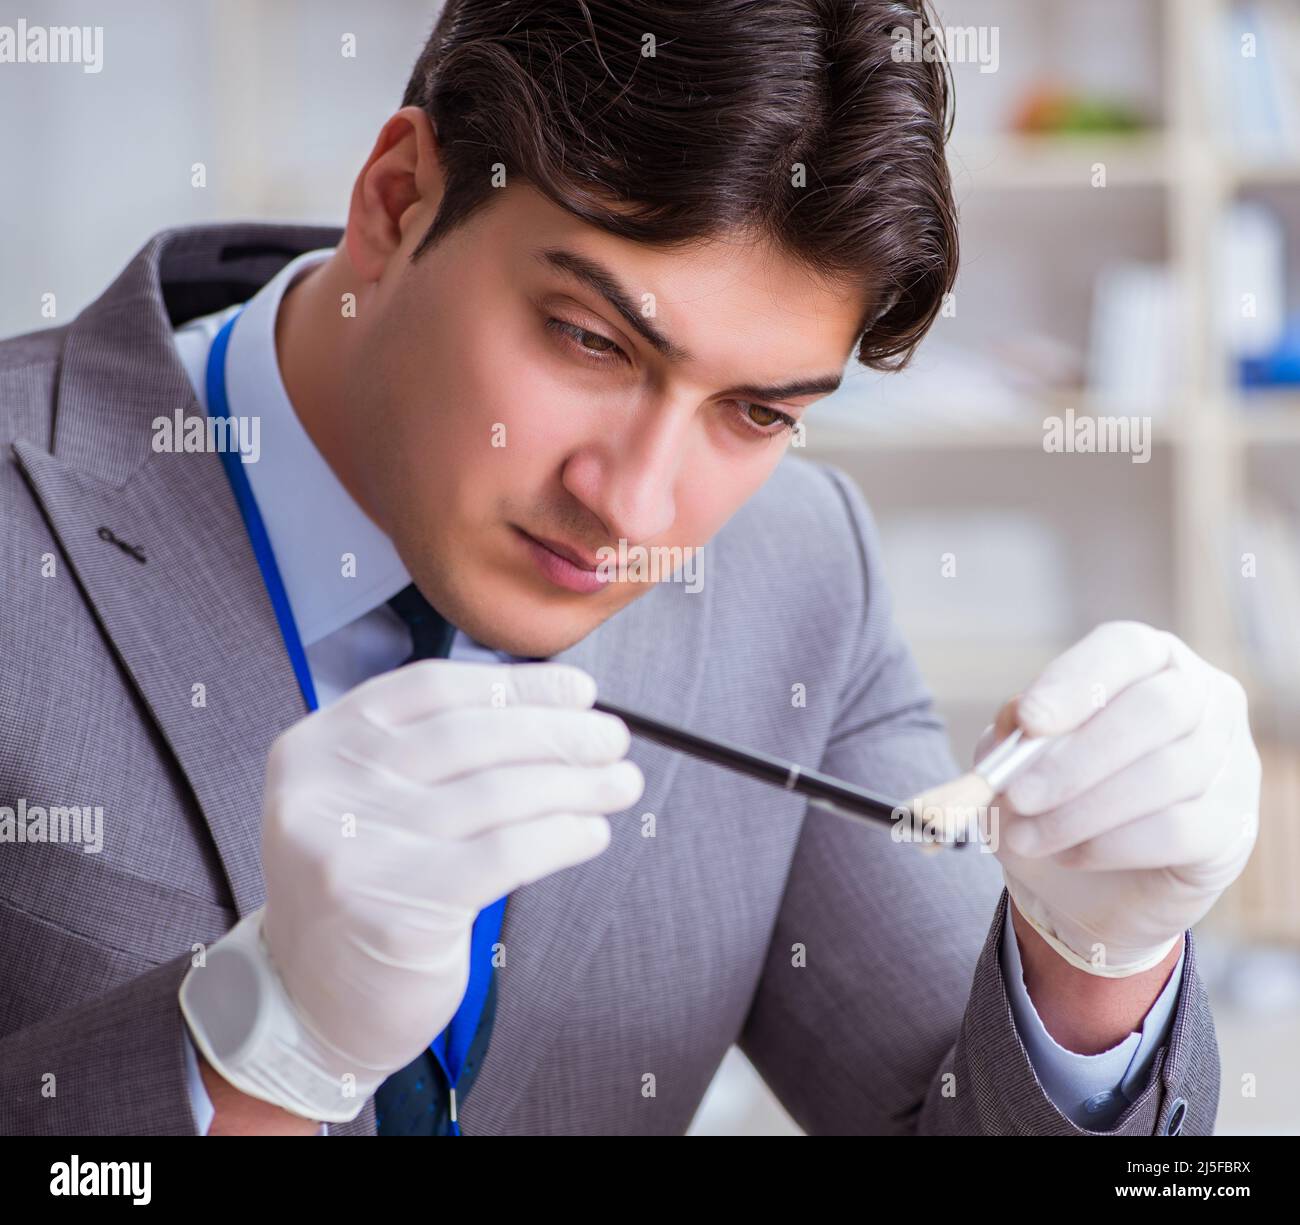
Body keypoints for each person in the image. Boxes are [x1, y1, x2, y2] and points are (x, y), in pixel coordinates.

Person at [0, 0, 1257, 1137]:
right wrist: (245, 1062)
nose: (636, 506)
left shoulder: (796, 573)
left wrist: (1097, 961)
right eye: (588, 339)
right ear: (396, 201)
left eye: (757, 412)